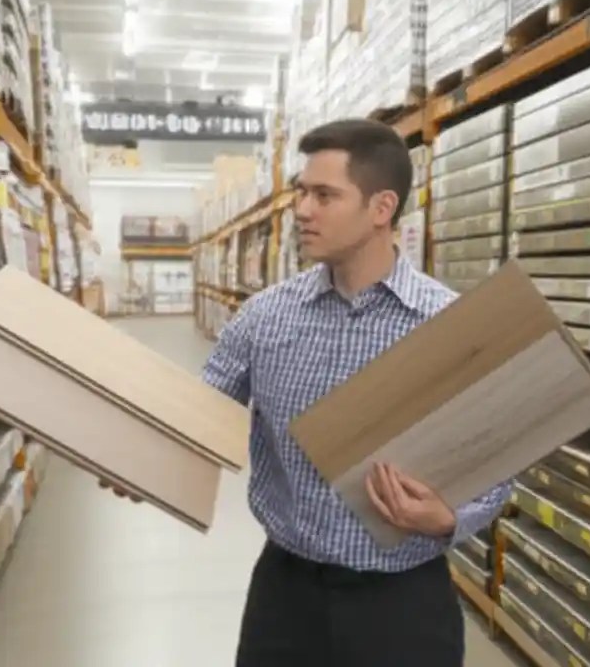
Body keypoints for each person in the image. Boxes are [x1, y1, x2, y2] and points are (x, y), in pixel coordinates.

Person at [109, 118, 511, 666]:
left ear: (382, 208)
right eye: (301, 192)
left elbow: (498, 461)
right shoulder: (265, 317)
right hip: (286, 595)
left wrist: (447, 517)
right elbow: (200, 416)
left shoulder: (448, 325)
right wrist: (139, 460)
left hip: (404, 602)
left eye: (324, 195)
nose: (301, 210)